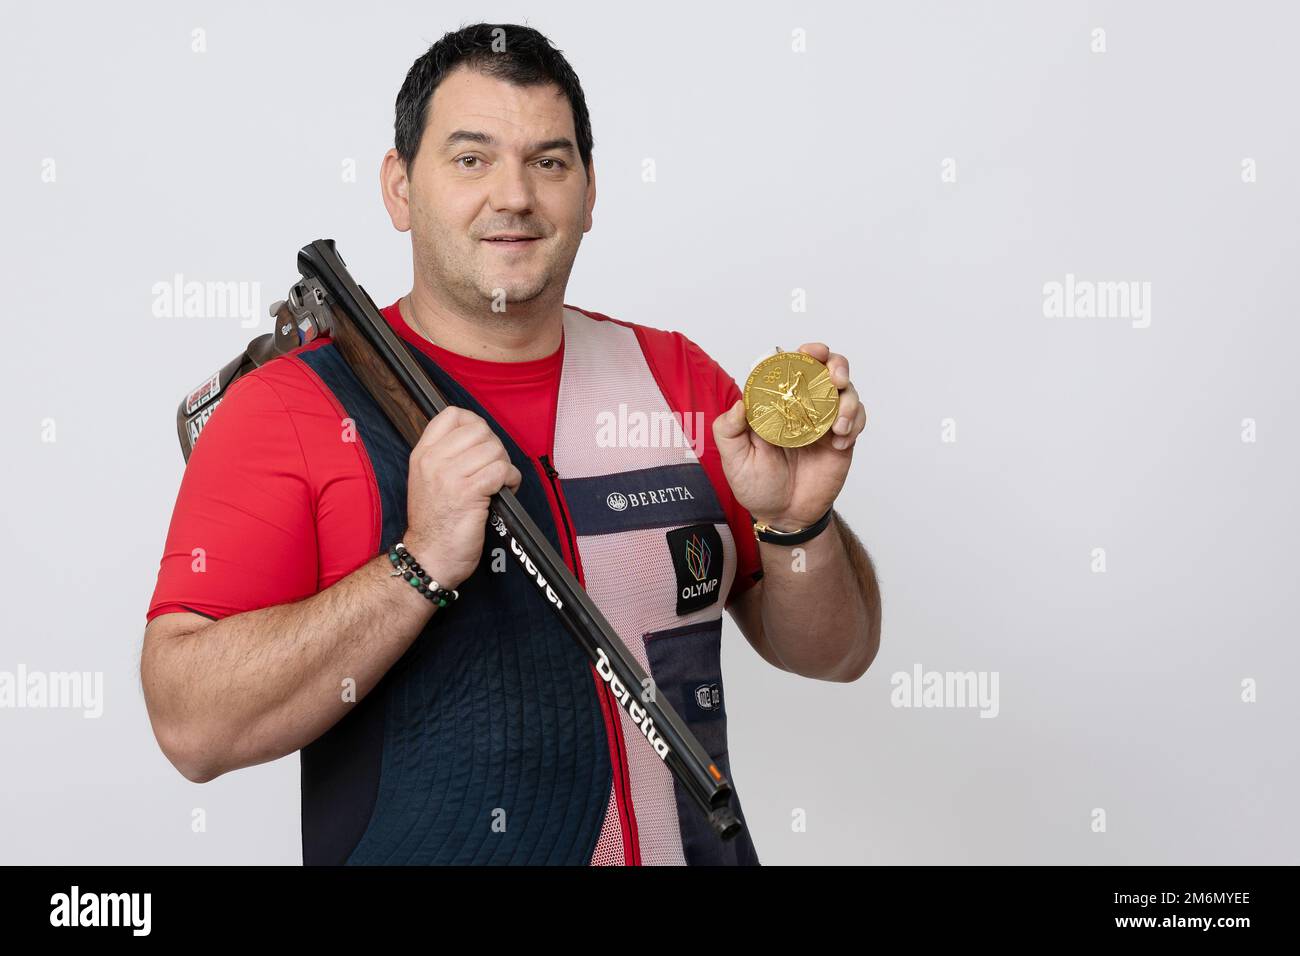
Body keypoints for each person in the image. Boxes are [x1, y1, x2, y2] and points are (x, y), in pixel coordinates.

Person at [141, 22, 881, 866]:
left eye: (549, 161)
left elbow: (837, 654)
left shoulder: (679, 381)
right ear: (399, 188)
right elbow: (190, 725)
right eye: (470, 158)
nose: (515, 196)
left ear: (590, 191)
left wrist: (797, 525)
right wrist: (415, 566)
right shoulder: (288, 407)